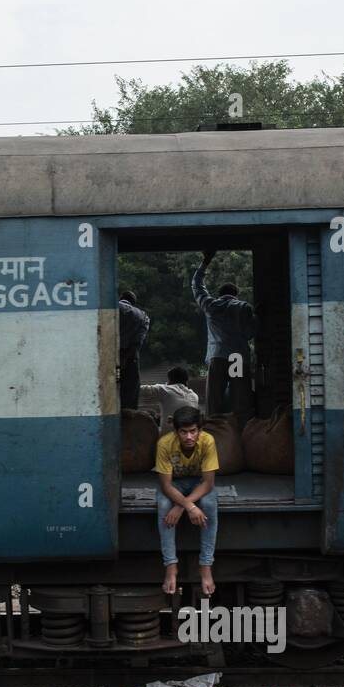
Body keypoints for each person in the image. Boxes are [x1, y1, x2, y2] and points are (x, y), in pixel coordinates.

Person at [155, 405, 219, 597]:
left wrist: (183, 507)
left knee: (208, 504)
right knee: (164, 505)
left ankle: (206, 566)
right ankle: (171, 566)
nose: (189, 437)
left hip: (199, 483)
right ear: (176, 432)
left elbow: (208, 484)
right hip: (174, 484)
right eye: (183, 432)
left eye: (193, 431)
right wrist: (189, 506)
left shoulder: (208, 441)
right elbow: (166, 486)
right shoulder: (164, 444)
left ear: (200, 430)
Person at [192, 250, 255, 418]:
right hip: (237, 357)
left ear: (220, 294)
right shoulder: (244, 307)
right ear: (235, 295)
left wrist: (205, 263)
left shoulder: (210, 305)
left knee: (215, 399)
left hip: (218, 357)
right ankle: (240, 432)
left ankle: (213, 430)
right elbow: (250, 334)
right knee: (239, 399)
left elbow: (197, 286)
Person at [118, 290, 150, 410]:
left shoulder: (112, 309)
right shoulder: (143, 316)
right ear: (133, 302)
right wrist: (125, 359)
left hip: (108, 356)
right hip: (130, 360)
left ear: (121, 297)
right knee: (130, 395)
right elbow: (138, 342)